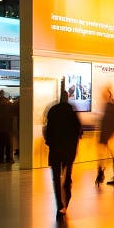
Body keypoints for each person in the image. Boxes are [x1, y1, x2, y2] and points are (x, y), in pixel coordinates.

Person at [44, 91, 83, 219]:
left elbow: (48, 130)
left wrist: (50, 142)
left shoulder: (53, 111)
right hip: (68, 150)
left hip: (55, 150)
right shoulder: (71, 111)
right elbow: (79, 130)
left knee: (56, 178)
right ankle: (66, 199)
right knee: (67, 175)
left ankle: (59, 205)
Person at [96, 89, 114, 185]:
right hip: (109, 135)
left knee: (112, 156)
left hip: (109, 136)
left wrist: (106, 136)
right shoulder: (110, 106)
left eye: (105, 95)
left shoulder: (110, 107)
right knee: (112, 156)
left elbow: (110, 122)